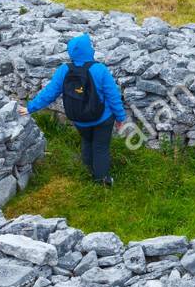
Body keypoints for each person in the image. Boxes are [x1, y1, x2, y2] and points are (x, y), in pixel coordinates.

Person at [18, 34, 128, 186]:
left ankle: (88, 169)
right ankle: (102, 180)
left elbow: (49, 93)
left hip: (79, 118)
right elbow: (113, 96)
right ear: (88, 50)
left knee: (87, 141)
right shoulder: (99, 69)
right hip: (102, 118)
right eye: (90, 46)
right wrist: (120, 118)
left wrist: (30, 107)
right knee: (100, 147)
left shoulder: (64, 70)